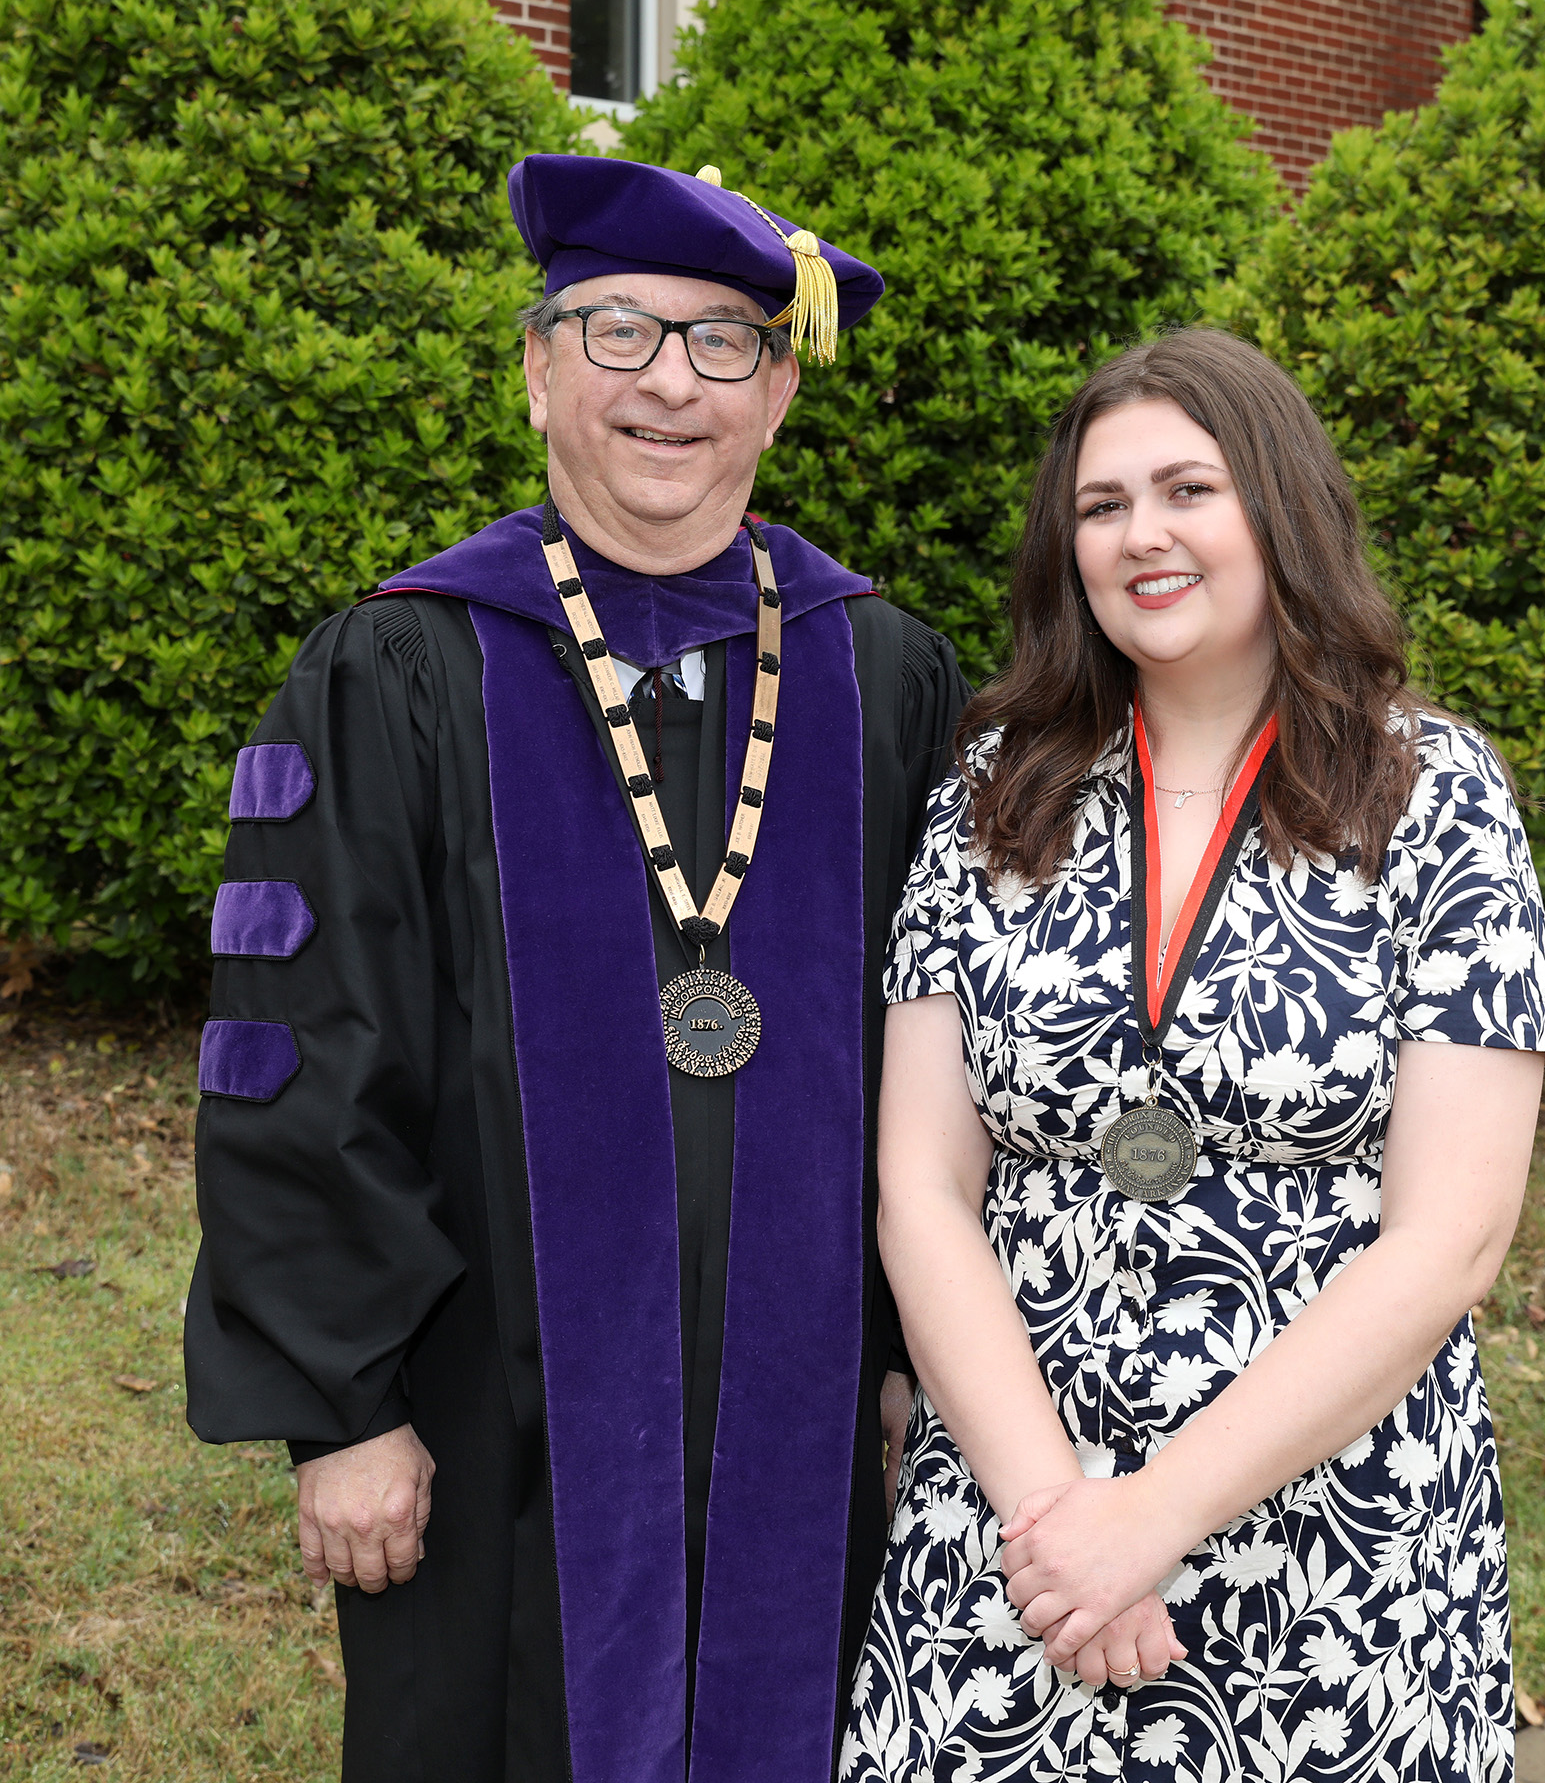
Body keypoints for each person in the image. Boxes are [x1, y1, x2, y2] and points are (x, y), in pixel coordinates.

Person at [183, 154, 968, 1783]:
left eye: (724, 342)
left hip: (810, 1425)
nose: (670, 381)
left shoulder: (880, 674)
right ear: (538, 371)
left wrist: (918, 1366)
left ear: (777, 393)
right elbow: (293, 1045)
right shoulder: (398, 667)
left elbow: (947, 1063)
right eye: (617, 333)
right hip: (486, 1424)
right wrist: (343, 1404)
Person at [844, 326, 1545, 1783]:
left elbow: (1453, 1236)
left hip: (1329, 1525)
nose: (1140, 537)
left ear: (1278, 511)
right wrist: (1061, 1516)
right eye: (1101, 507)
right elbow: (920, 1186)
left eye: (1187, 490)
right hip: (1015, 1517)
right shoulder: (995, 790)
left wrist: (1154, 1518)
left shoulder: (1431, 796)